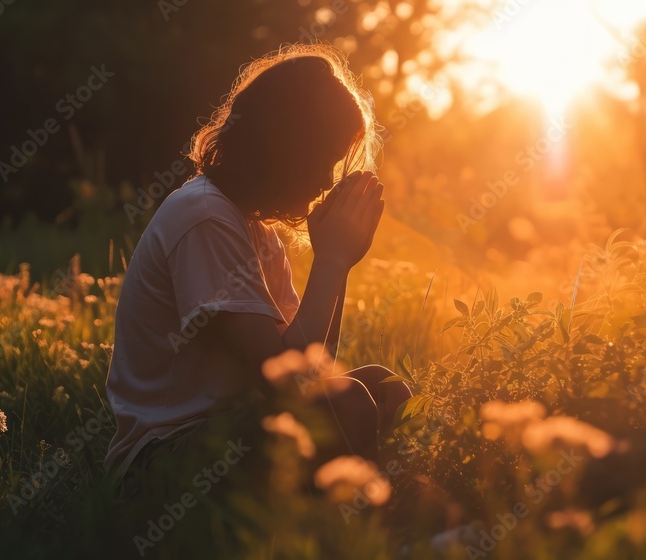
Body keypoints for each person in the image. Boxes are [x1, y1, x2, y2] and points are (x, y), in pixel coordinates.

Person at [101, 46, 413, 543]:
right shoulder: (205, 217)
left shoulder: (253, 227)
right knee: (352, 401)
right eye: (324, 160)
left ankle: (362, 523)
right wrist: (330, 260)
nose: (328, 180)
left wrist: (342, 260)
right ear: (287, 148)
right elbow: (284, 385)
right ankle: (368, 538)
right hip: (161, 468)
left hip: (227, 434)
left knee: (384, 386)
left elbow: (309, 370)